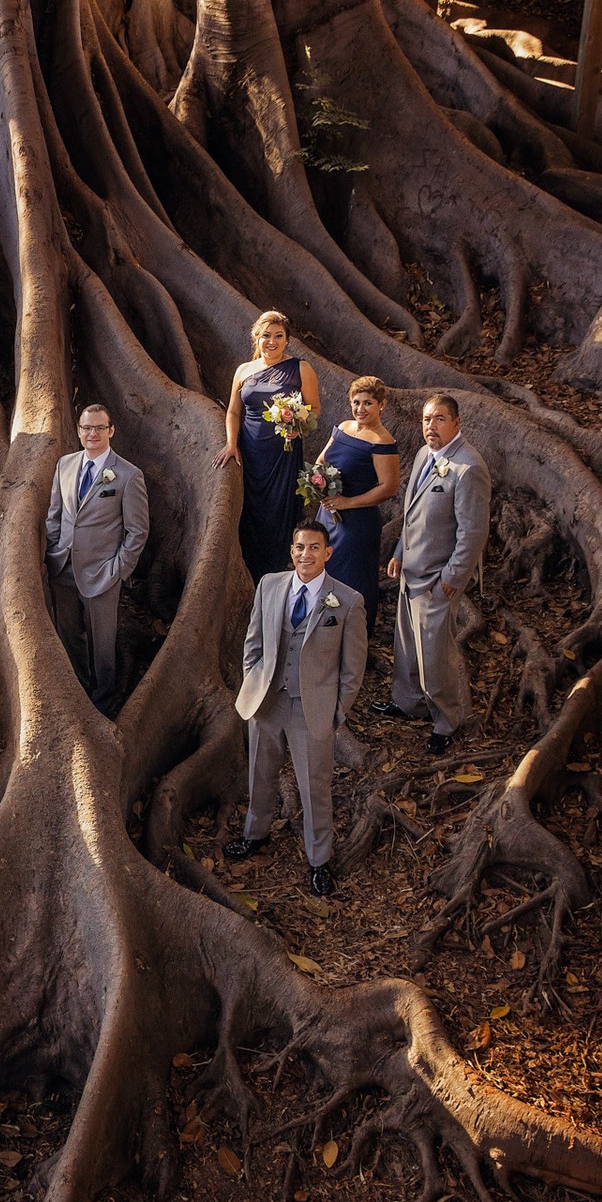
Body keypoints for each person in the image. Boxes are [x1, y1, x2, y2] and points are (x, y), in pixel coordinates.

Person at [224, 520, 366, 896]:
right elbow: (252, 643)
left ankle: (319, 859)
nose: (306, 554)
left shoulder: (347, 601)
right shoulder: (270, 586)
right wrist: (254, 681)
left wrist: (337, 711)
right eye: (300, 547)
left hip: (312, 709)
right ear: (292, 551)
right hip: (269, 700)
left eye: (314, 548)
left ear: (327, 553)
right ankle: (255, 835)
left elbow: (353, 669)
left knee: (314, 786)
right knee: (260, 773)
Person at [374, 394, 491, 754]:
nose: (431, 426)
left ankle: (446, 720)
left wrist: (452, 579)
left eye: (439, 419)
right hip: (411, 571)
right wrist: (398, 552)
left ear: (456, 423)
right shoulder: (426, 455)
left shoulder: (468, 468)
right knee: (406, 646)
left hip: (438, 579)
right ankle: (409, 704)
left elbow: (472, 533)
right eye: (427, 420)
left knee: (434, 656)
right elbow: (411, 514)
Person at [44, 404, 148, 713]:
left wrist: (117, 570)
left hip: (102, 574)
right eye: (87, 428)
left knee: (102, 645)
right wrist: (53, 548)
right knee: (69, 636)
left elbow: (137, 531)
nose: (92, 433)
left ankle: (103, 703)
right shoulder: (64, 465)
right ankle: (78, 694)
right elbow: (55, 514)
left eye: (99, 428)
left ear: (111, 431)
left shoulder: (128, 475)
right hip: (62, 567)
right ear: (78, 430)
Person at [217, 310, 321, 580]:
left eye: (278, 336)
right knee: (249, 513)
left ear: (287, 339)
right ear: (256, 338)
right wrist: (231, 444)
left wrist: (296, 423)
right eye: (266, 336)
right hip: (249, 454)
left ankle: (275, 575)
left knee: (277, 513)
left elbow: (315, 410)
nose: (272, 342)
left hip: (282, 456)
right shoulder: (244, 370)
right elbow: (232, 412)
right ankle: (248, 577)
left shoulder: (301, 368)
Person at [316, 375, 400, 645]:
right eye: (356, 402)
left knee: (349, 578)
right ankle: (321, 636)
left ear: (381, 405)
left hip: (356, 524)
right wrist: (318, 485)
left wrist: (347, 503)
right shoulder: (343, 427)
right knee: (321, 571)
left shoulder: (382, 441)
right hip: (327, 515)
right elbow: (321, 460)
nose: (361, 409)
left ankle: (351, 642)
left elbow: (389, 487)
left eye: (368, 403)